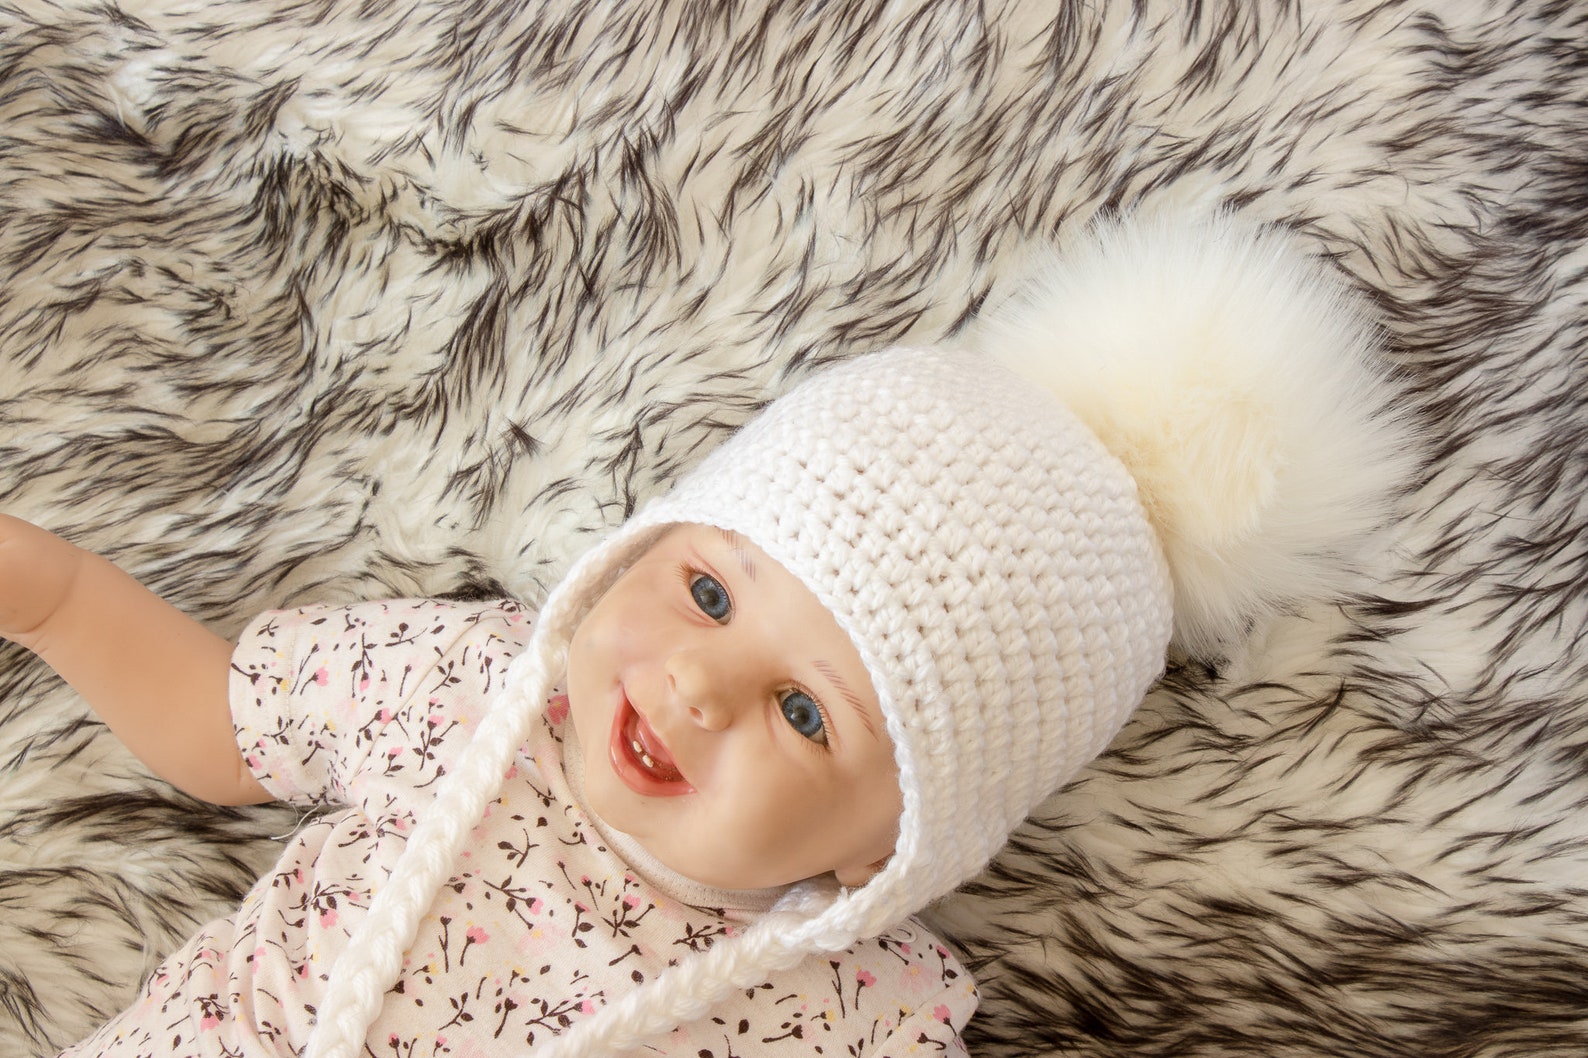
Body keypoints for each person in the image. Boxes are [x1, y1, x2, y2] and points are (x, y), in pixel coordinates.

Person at [0, 210, 1415, 1058]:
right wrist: (58, 593)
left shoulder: (854, 1011)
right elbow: (220, 730)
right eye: (711, 591)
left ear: (889, 848)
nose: (691, 682)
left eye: (805, 714)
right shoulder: (482, 689)